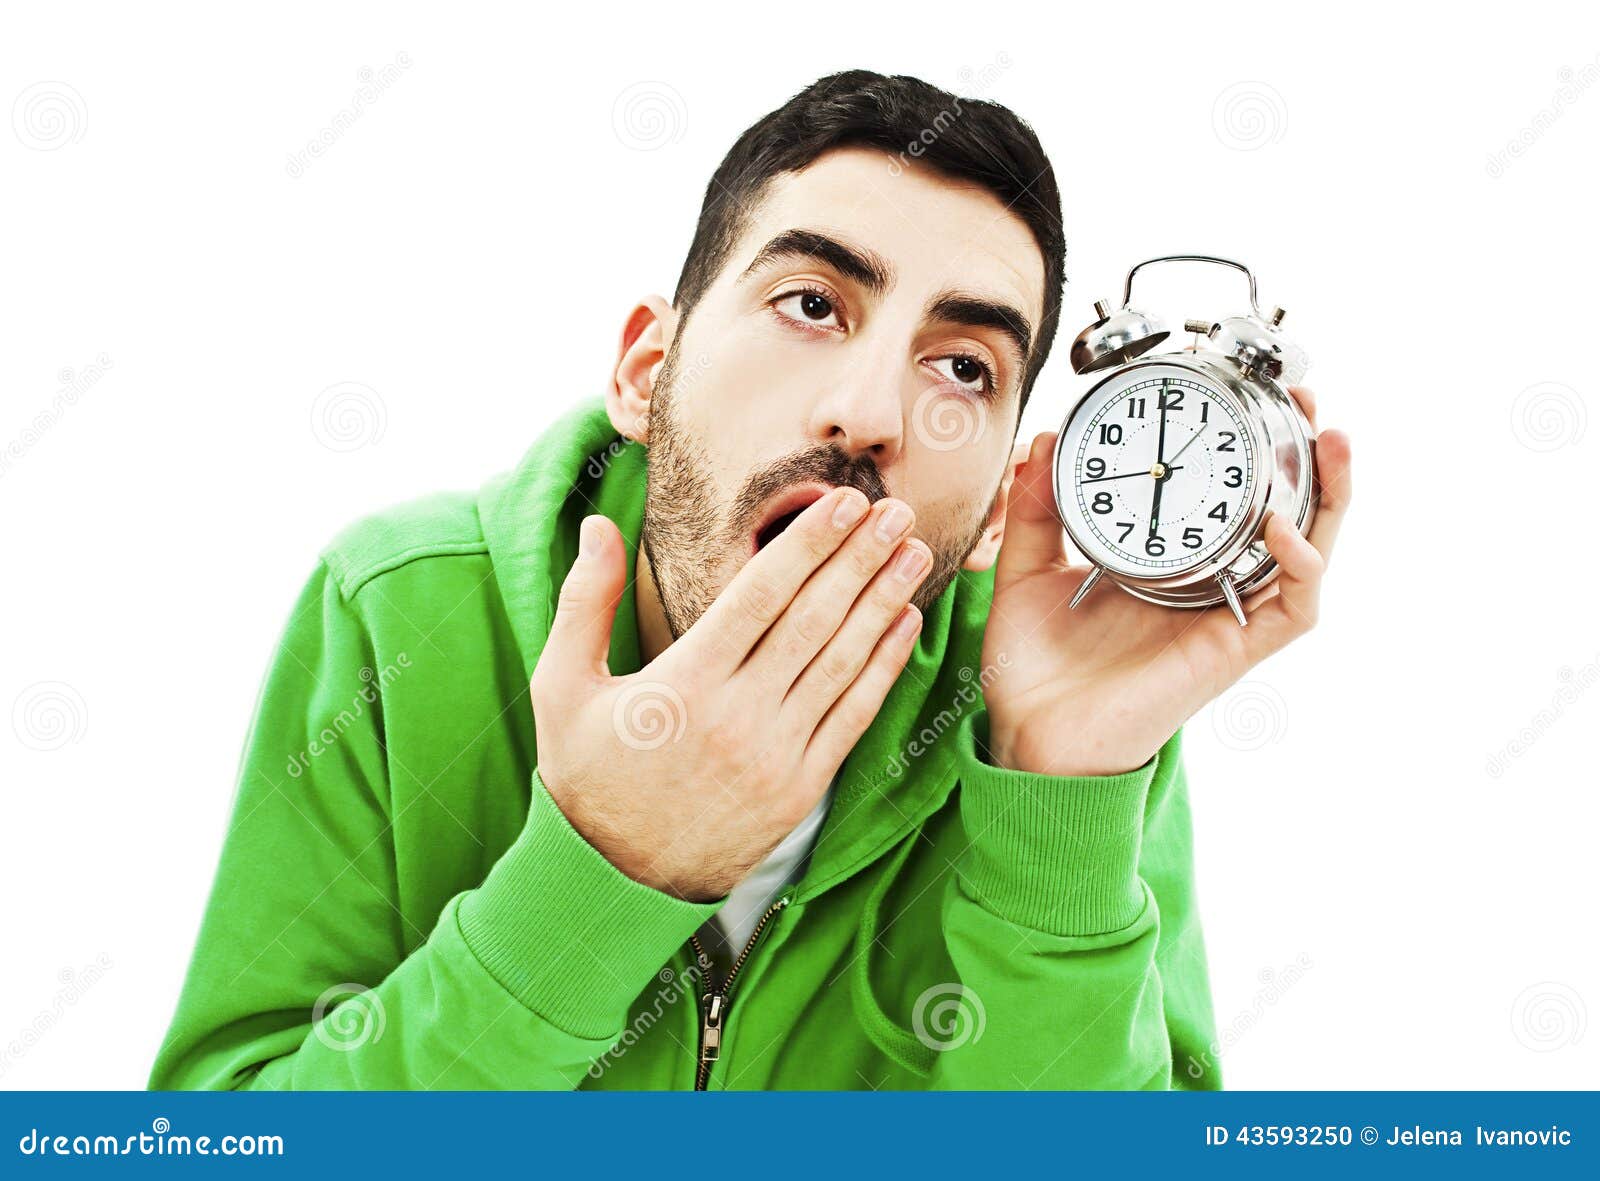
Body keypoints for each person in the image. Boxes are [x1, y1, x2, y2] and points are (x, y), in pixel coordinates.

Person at [151, 69, 1352, 1090]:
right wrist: (605, 874)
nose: (871, 412)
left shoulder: (1065, 715)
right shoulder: (400, 610)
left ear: (998, 498)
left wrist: (1061, 804)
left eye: (965, 369)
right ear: (644, 369)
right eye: (813, 303)